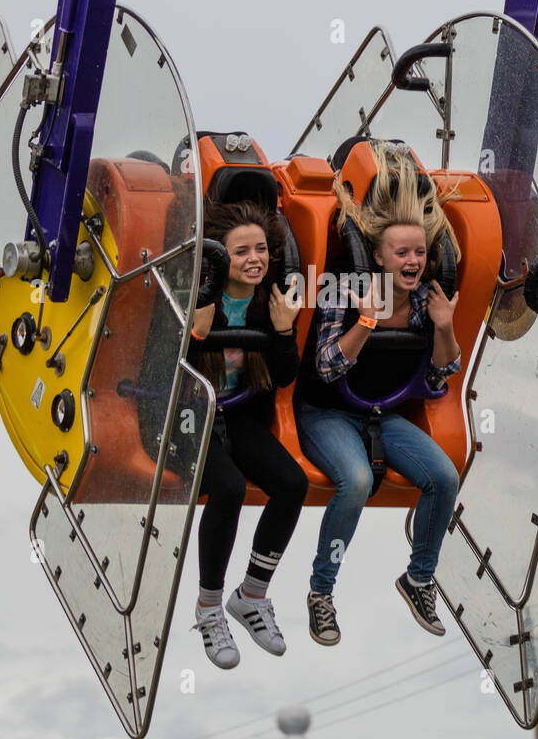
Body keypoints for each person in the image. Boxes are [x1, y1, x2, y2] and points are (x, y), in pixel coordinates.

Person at [294, 142, 462, 645]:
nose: (412, 260)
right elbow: (326, 367)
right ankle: (321, 593)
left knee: (444, 477)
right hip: (325, 412)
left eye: (418, 252)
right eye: (400, 252)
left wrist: (444, 328)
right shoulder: (343, 291)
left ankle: (418, 579)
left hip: (379, 413)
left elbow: (436, 382)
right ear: (379, 255)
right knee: (357, 480)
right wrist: (365, 320)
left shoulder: (423, 305)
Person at [186, 198, 307, 669]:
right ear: (219, 258)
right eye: (241, 252)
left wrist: (282, 332)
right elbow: (164, 372)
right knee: (230, 488)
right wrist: (195, 337)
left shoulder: (268, 300)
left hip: (237, 414)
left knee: (292, 484)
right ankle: (209, 605)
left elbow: (282, 377)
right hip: (188, 415)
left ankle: (252, 594)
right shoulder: (197, 297)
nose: (254, 259)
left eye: (260, 249)